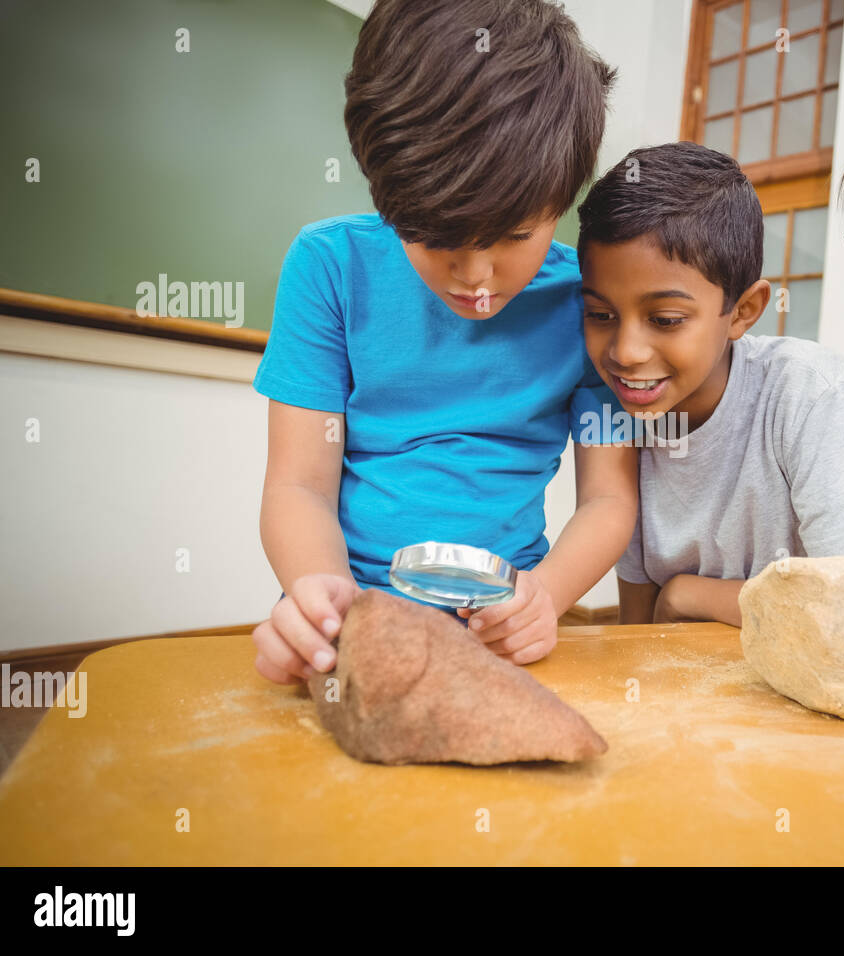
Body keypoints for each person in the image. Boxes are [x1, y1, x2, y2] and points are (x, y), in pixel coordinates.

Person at [250, 0, 637, 681]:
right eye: (433, 238)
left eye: (516, 236)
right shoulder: (330, 266)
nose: (477, 279)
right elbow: (298, 485)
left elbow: (608, 498)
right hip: (349, 627)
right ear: (386, 196)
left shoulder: (592, 304)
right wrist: (320, 598)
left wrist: (544, 597)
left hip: (499, 635)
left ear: (564, 196)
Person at [577, 141, 844, 627]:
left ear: (743, 311)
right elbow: (639, 636)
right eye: (600, 314)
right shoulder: (617, 419)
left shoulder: (808, 394)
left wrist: (687, 596)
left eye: (664, 319)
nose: (625, 352)